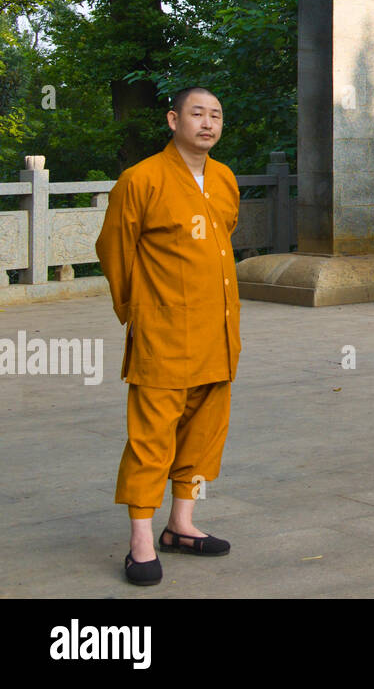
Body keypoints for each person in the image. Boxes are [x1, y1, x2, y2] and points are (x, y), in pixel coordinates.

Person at [95, 86, 242, 585]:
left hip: (217, 333)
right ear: (172, 120)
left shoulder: (223, 178)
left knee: (204, 435)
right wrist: (143, 312)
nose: (207, 122)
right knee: (151, 439)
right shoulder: (142, 180)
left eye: (216, 115)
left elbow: (222, 240)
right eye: (197, 113)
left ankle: (180, 524)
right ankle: (140, 541)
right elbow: (115, 248)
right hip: (164, 335)